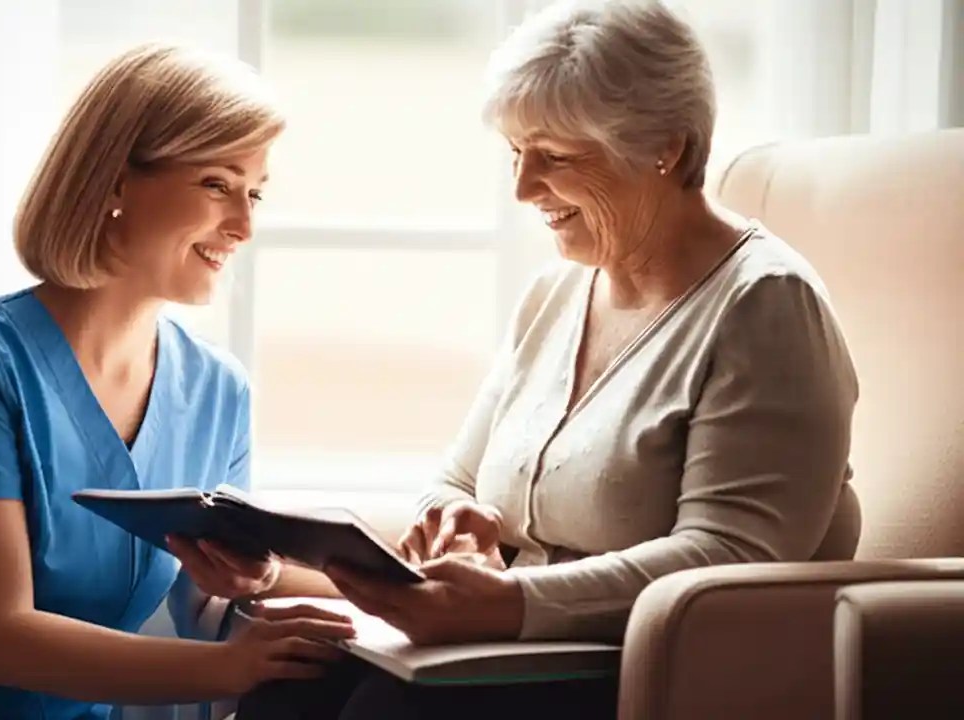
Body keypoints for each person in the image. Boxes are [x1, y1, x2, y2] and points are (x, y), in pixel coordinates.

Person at [238, 1, 859, 717]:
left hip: (649, 667)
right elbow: (456, 478)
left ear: (670, 150)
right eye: (516, 154)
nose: (524, 189)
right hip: (512, 648)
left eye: (556, 158)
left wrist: (509, 601)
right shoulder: (557, 292)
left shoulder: (766, 305)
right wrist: (456, 518)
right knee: (284, 684)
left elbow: (727, 561)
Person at [0, 42, 355, 719]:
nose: (245, 225)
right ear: (115, 182)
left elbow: (200, 603)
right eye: (217, 184)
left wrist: (261, 582)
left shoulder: (219, 391)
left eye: (255, 192)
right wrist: (229, 666)